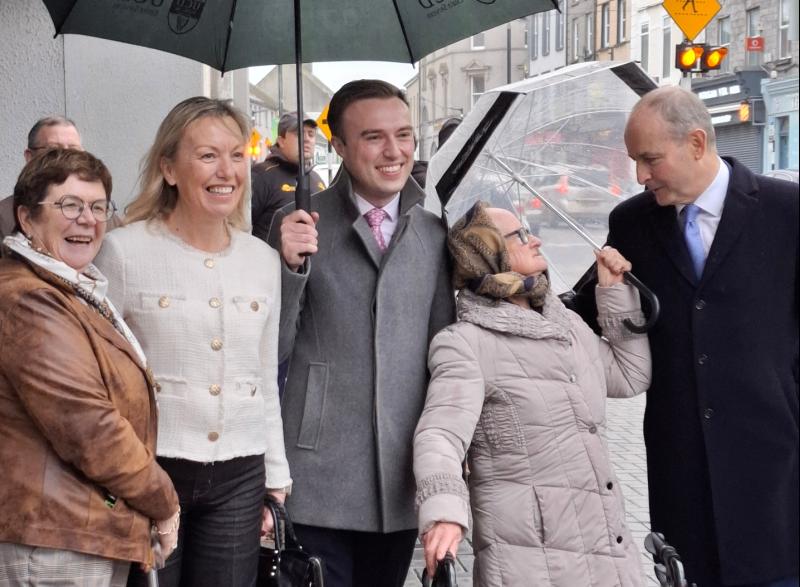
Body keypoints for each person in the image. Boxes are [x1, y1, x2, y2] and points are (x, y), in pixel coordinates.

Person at [572, 86, 798, 587]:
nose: (641, 176)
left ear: (696, 143)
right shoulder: (631, 222)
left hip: (775, 470)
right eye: (634, 161)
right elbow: (581, 314)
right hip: (682, 470)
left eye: (650, 159)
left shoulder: (787, 213)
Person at [95, 97, 292, 587]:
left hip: (240, 475)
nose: (226, 170)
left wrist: (276, 477)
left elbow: (263, 376)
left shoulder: (262, 260)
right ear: (169, 168)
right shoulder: (123, 252)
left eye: (236, 153)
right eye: (207, 155)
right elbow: (100, 375)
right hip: (151, 470)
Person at [270, 79, 455, 587]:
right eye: (373, 137)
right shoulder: (300, 224)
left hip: (399, 475)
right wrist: (287, 267)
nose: (393, 152)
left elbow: (447, 352)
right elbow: (272, 348)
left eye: (404, 135)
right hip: (318, 471)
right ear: (339, 146)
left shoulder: (437, 229)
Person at [413, 202, 650, 586]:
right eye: (519, 236)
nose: (535, 239)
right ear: (487, 253)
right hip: (532, 563)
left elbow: (631, 374)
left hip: (608, 550)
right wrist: (444, 513)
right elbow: (440, 434)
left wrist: (613, 292)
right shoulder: (466, 343)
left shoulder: (566, 324)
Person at [0, 148, 180, 586]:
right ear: (26, 218)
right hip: (53, 542)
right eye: (69, 205)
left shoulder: (68, 288)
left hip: (72, 532)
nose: (88, 219)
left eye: (99, 207)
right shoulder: (30, 298)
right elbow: (89, 427)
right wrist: (165, 501)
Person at [0, 116, 83, 243]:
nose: (66, 157)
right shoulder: (4, 217)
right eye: (54, 150)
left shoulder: (103, 218)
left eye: (73, 150)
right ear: (30, 157)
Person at [251, 111, 325, 242]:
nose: (307, 139)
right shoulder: (261, 176)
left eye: (311, 134)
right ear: (281, 141)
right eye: (299, 134)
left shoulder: (316, 179)